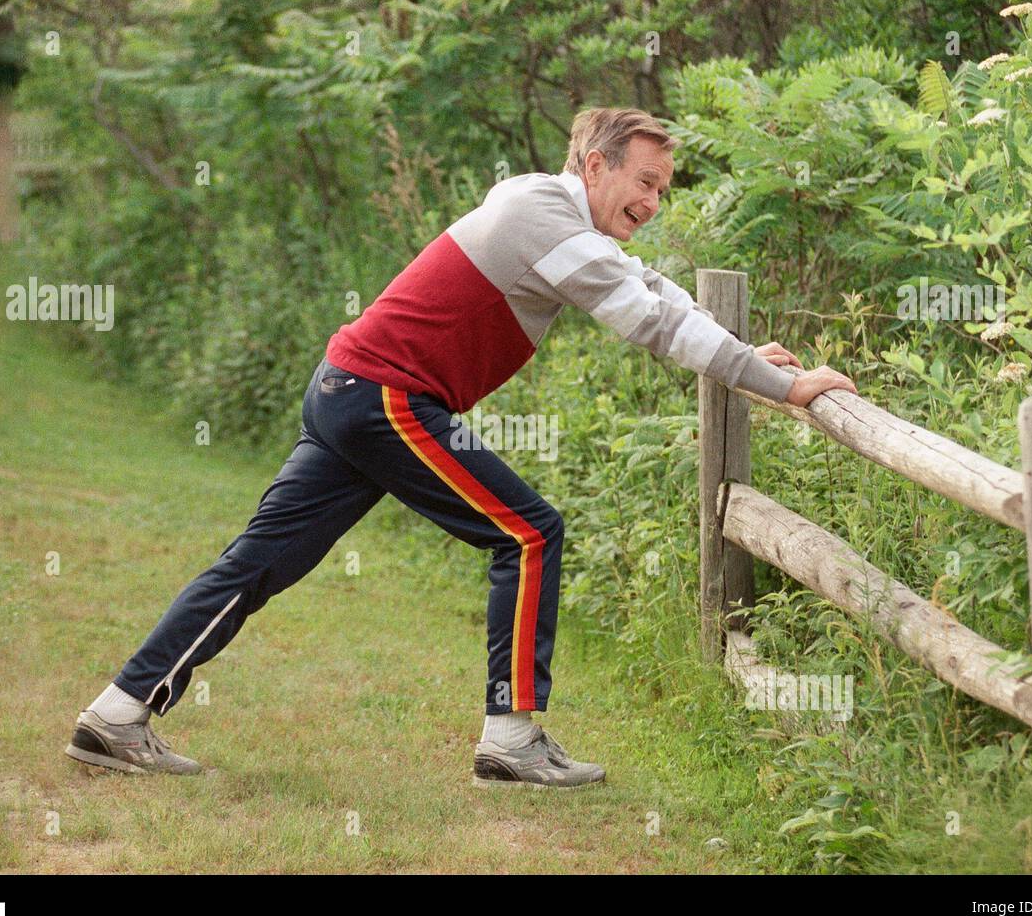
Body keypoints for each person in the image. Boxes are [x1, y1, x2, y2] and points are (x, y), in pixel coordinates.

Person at [65, 106, 857, 788]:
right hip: (385, 396)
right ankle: (511, 739)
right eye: (644, 181)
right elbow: (652, 321)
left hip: (348, 386)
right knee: (528, 530)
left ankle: (117, 713)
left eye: (662, 188)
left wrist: (748, 359)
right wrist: (783, 387)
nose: (653, 200)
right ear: (593, 164)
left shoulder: (544, 208)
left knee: (258, 563)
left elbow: (649, 286)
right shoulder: (548, 220)